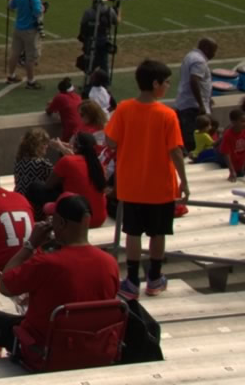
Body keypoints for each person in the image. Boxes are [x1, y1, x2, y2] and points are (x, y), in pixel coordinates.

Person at [0, 195, 120, 362]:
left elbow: (4, 286)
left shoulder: (46, 263)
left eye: (52, 218)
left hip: (42, 351)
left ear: (61, 223)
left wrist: (31, 244)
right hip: (92, 349)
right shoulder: (110, 263)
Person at [104, 58, 189, 299]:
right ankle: (154, 278)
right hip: (159, 186)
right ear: (155, 84)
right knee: (158, 233)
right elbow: (175, 150)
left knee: (132, 232)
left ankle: (131, 280)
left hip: (131, 184)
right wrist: (184, 180)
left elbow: (110, 141)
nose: (168, 86)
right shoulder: (167, 114)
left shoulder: (124, 109)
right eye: (167, 82)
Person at [49, 133, 109, 227]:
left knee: (37, 188)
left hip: (78, 219)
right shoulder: (98, 165)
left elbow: (48, 185)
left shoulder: (67, 161)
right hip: (99, 218)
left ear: (76, 147)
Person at [173, 37, 218, 152]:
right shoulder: (199, 61)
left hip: (186, 103)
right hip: (193, 107)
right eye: (213, 51)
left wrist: (207, 99)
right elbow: (194, 80)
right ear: (206, 49)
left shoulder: (190, 56)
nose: (214, 54)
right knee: (194, 140)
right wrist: (201, 104)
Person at [8, 0, 44, 88]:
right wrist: (43, 8)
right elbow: (38, 12)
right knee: (30, 58)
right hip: (30, 31)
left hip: (18, 28)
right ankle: (31, 81)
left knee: (15, 53)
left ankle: (11, 75)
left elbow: (11, 6)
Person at [12, 127, 60, 211]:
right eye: (44, 143)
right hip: (36, 207)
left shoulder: (18, 162)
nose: (47, 146)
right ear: (37, 145)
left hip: (19, 201)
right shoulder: (42, 164)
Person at [218, 105, 245, 180]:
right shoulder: (228, 135)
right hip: (224, 157)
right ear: (233, 122)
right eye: (243, 121)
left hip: (240, 159)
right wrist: (231, 171)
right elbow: (226, 154)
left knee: (240, 174)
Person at [47, 77, 84, 142]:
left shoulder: (60, 97)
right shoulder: (78, 97)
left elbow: (49, 111)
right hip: (83, 126)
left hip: (71, 128)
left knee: (65, 147)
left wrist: (51, 104)